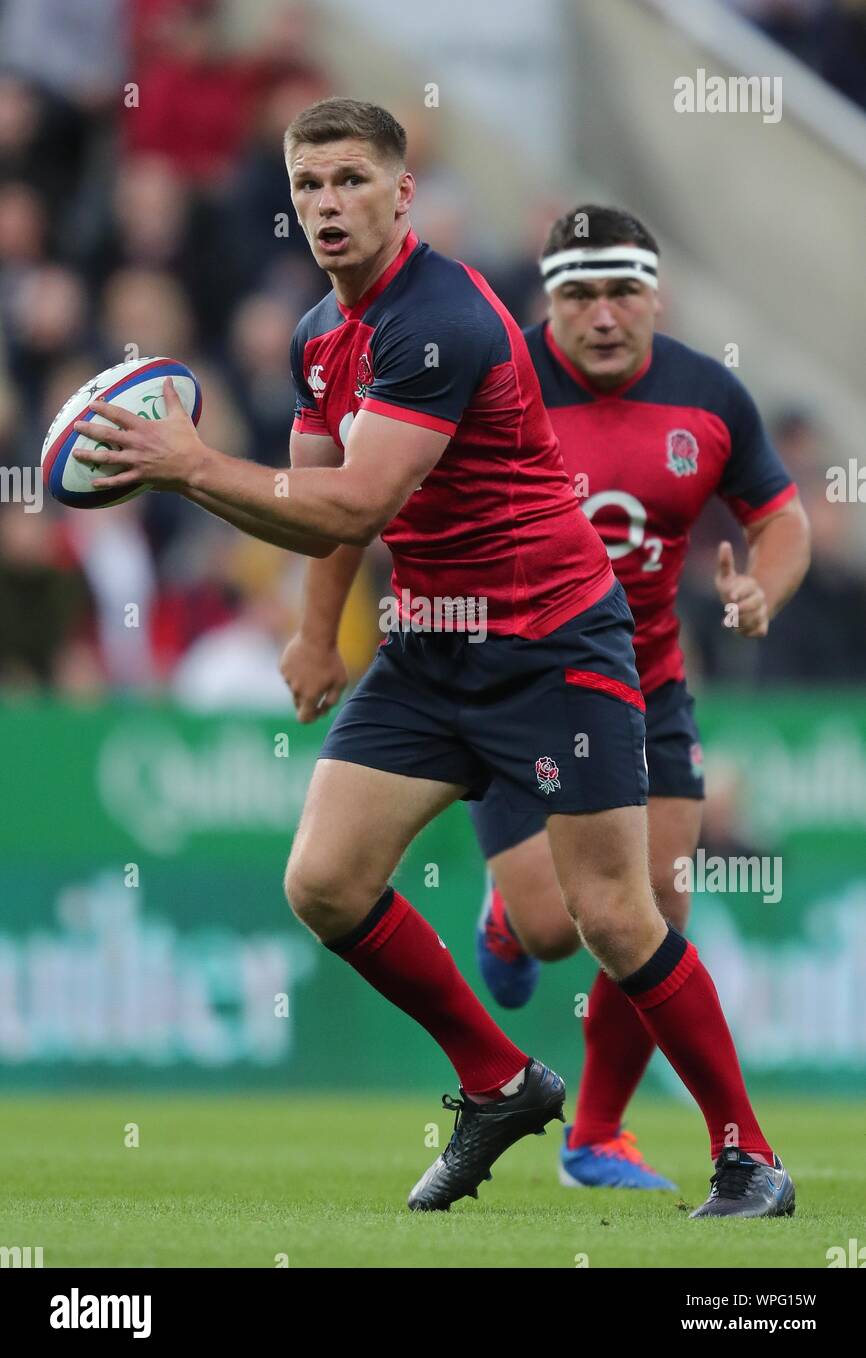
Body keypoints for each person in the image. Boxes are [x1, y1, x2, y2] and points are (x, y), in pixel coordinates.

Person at [74, 100, 795, 1218]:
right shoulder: (320, 331)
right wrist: (318, 633)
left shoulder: (437, 319)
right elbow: (327, 514)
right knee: (321, 882)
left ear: (400, 192)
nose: (326, 205)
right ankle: (499, 1079)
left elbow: (357, 494)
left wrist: (188, 465)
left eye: (349, 181)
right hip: (426, 646)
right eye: (307, 185)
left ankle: (747, 1155)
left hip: (552, 644)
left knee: (612, 913)